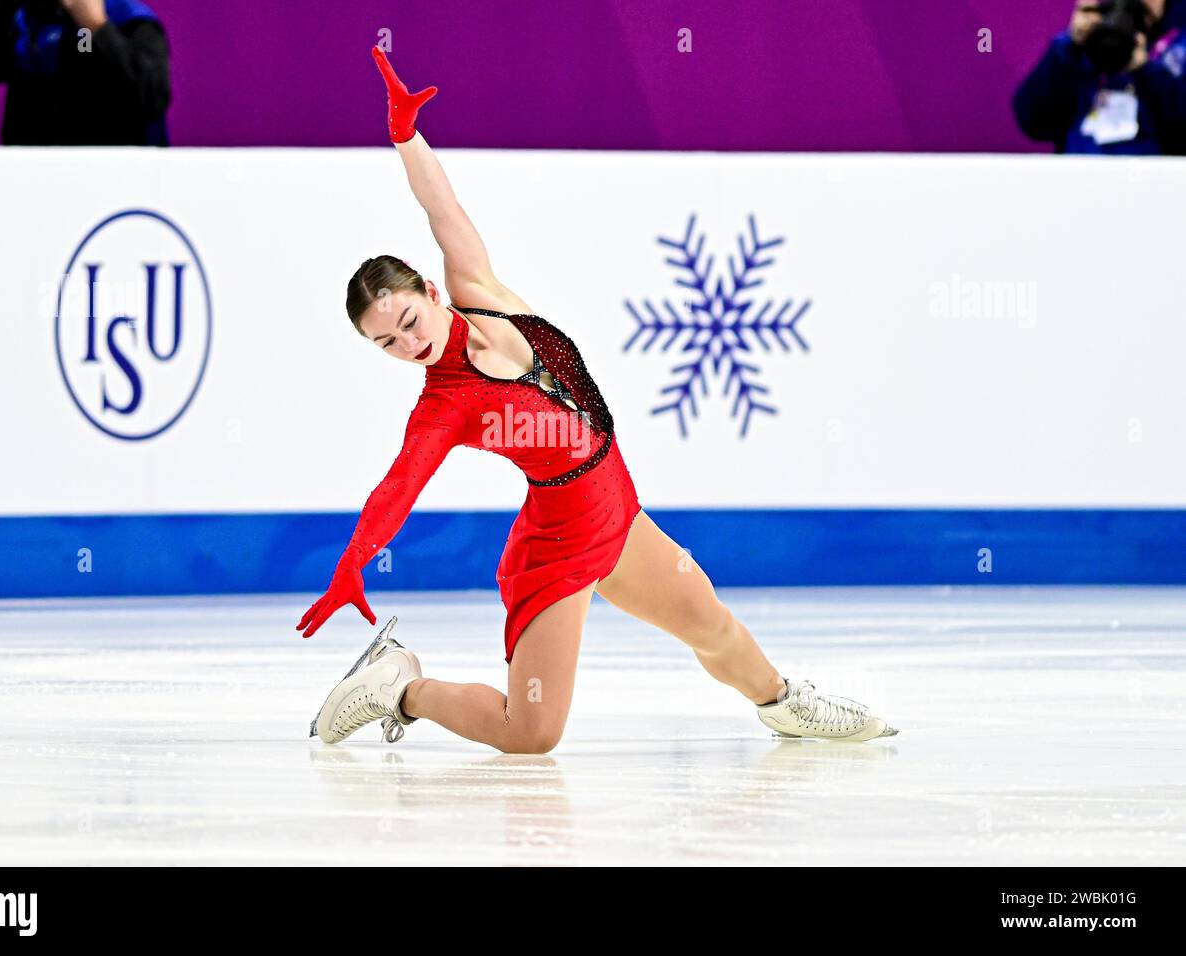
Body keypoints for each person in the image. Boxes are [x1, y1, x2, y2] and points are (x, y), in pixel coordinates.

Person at [297, 46, 899, 754]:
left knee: (710, 623)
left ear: (430, 293)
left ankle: (785, 704)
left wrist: (405, 134)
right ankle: (398, 685)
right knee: (531, 733)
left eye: (406, 322)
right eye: (386, 345)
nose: (407, 344)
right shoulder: (444, 404)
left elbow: (441, 205)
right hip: (560, 541)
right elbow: (399, 486)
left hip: (615, 507)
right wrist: (351, 563)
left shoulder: (477, 290)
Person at [0, 0, 171, 146]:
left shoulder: (126, 17)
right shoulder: (27, 18)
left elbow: (152, 96)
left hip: (109, 177)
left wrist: (97, 27)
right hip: (31, 177)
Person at [1013, 0, 1186, 154]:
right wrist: (1070, 47)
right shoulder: (1079, 47)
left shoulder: (1179, 45)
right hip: (1081, 177)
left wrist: (1146, 72)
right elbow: (1034, 122)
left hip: (1158, 180)